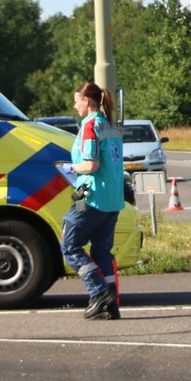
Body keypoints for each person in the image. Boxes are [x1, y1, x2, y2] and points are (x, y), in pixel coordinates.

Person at [61, 81, 124, 320]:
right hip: (112, 199)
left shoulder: (90, 127)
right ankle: (110, 305)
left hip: (92, 196)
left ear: (87, 101)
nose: (74, 105)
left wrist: (69, 168)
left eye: (77, 100)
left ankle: (99, 293)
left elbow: (91, 165)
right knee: (101, 251)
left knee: (69, 244)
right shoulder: (111, 127)